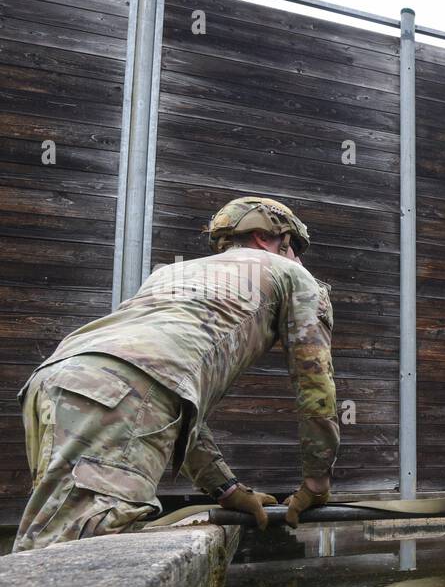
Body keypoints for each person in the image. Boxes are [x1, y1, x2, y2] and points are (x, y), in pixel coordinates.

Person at [14, 196, 339, 552]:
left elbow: (171, 398)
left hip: (56, 379)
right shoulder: (293, 275)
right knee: (83, 548)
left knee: (51, 530)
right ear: (267, 237)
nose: (299, 258)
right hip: (122, 388)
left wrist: (226, 490)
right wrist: (316, 483)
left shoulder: (171, 273)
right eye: (296, 248)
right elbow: (315, 385)